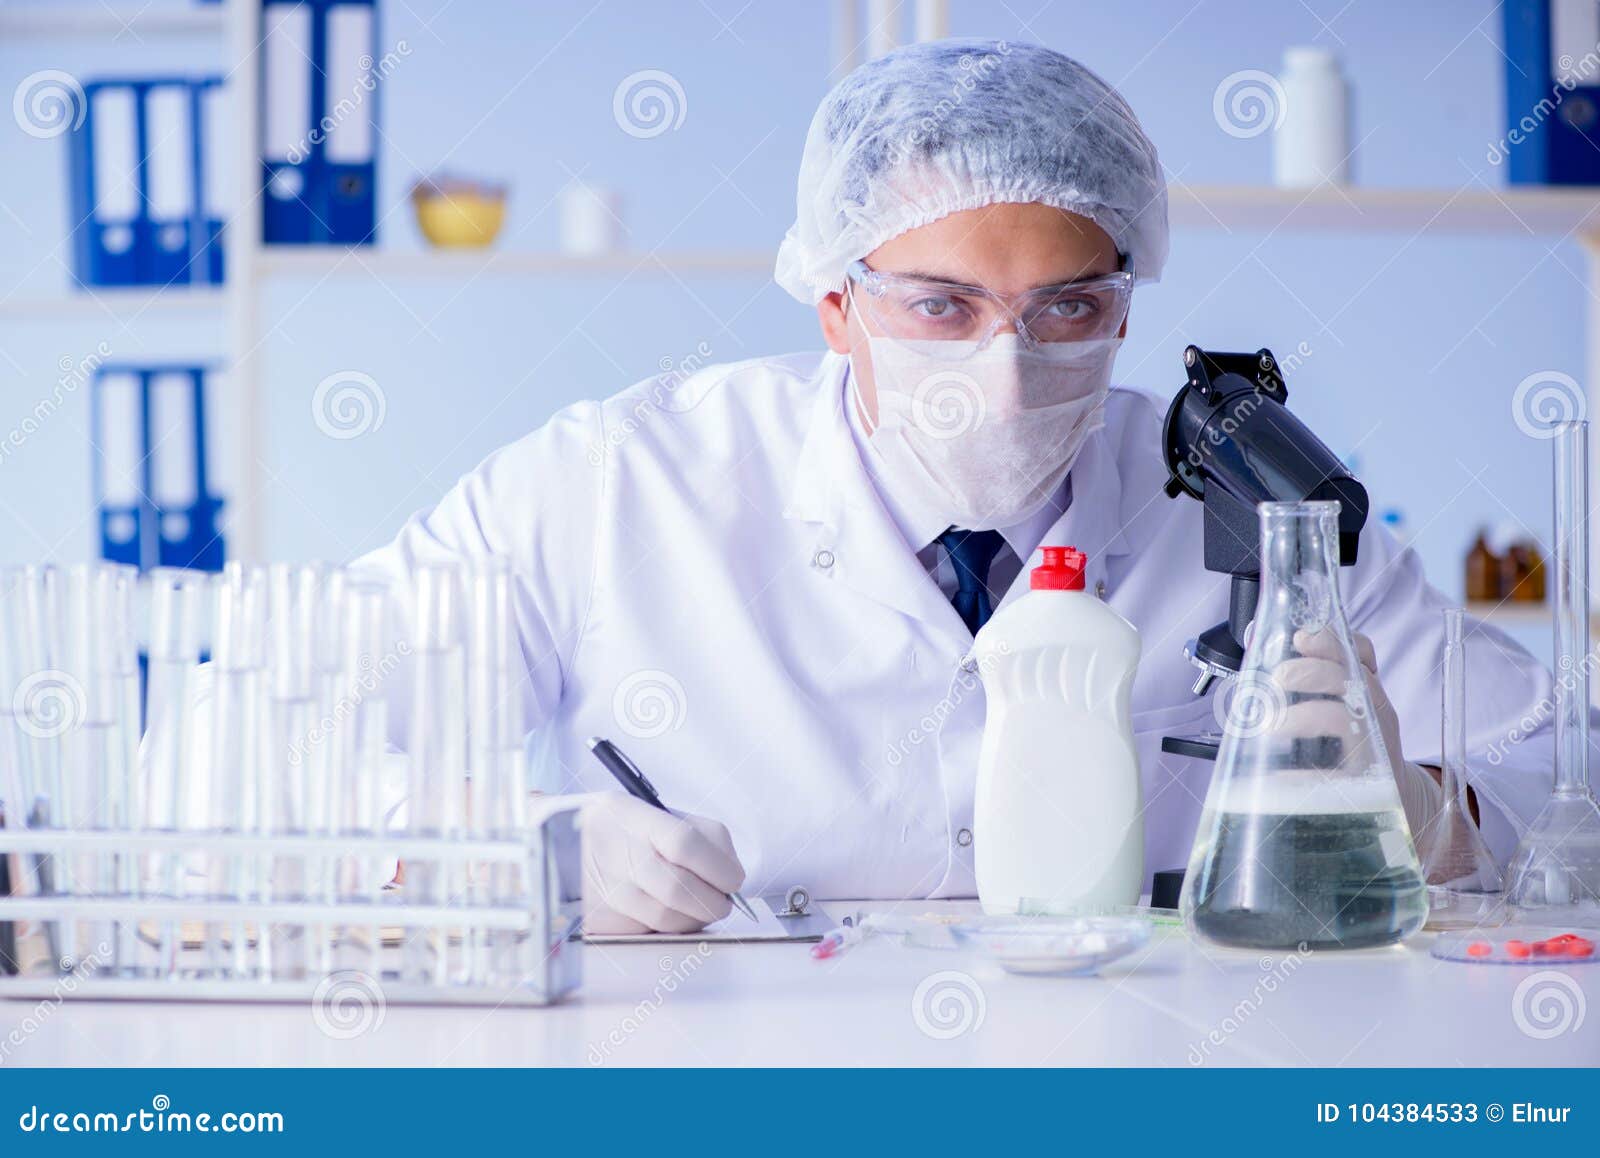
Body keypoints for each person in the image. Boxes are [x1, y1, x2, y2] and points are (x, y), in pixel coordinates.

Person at [355, 39, 1559, 934]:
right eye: (941, 306)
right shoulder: (614, 486)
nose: (1006, 371)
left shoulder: (1247, 507)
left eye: (1067, 308)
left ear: (1128, 304)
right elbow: (260, 733)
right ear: (837, 304)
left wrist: (1425, 814)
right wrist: (524, 847)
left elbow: (1566, 770)